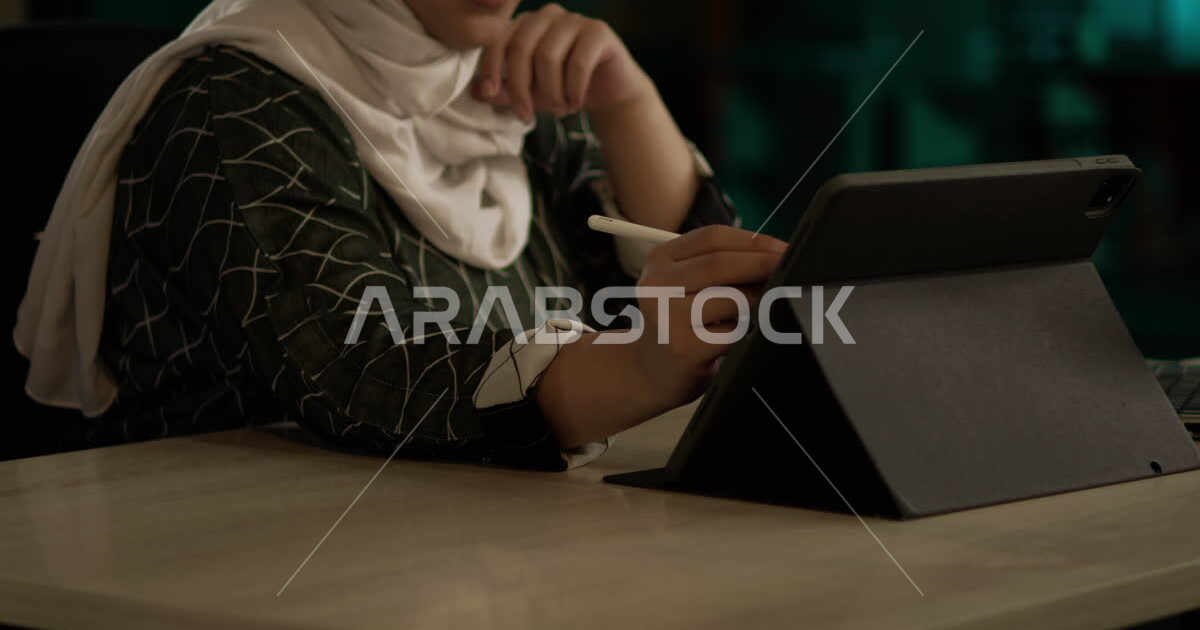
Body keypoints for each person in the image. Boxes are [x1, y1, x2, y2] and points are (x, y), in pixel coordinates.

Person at [15, 0, 787, 470]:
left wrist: (625, 103)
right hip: (239, 560)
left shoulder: (491, 79)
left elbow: (654, 295)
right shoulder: (235, 99)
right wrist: (640, 366)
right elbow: (361, 369)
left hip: (472, 540)